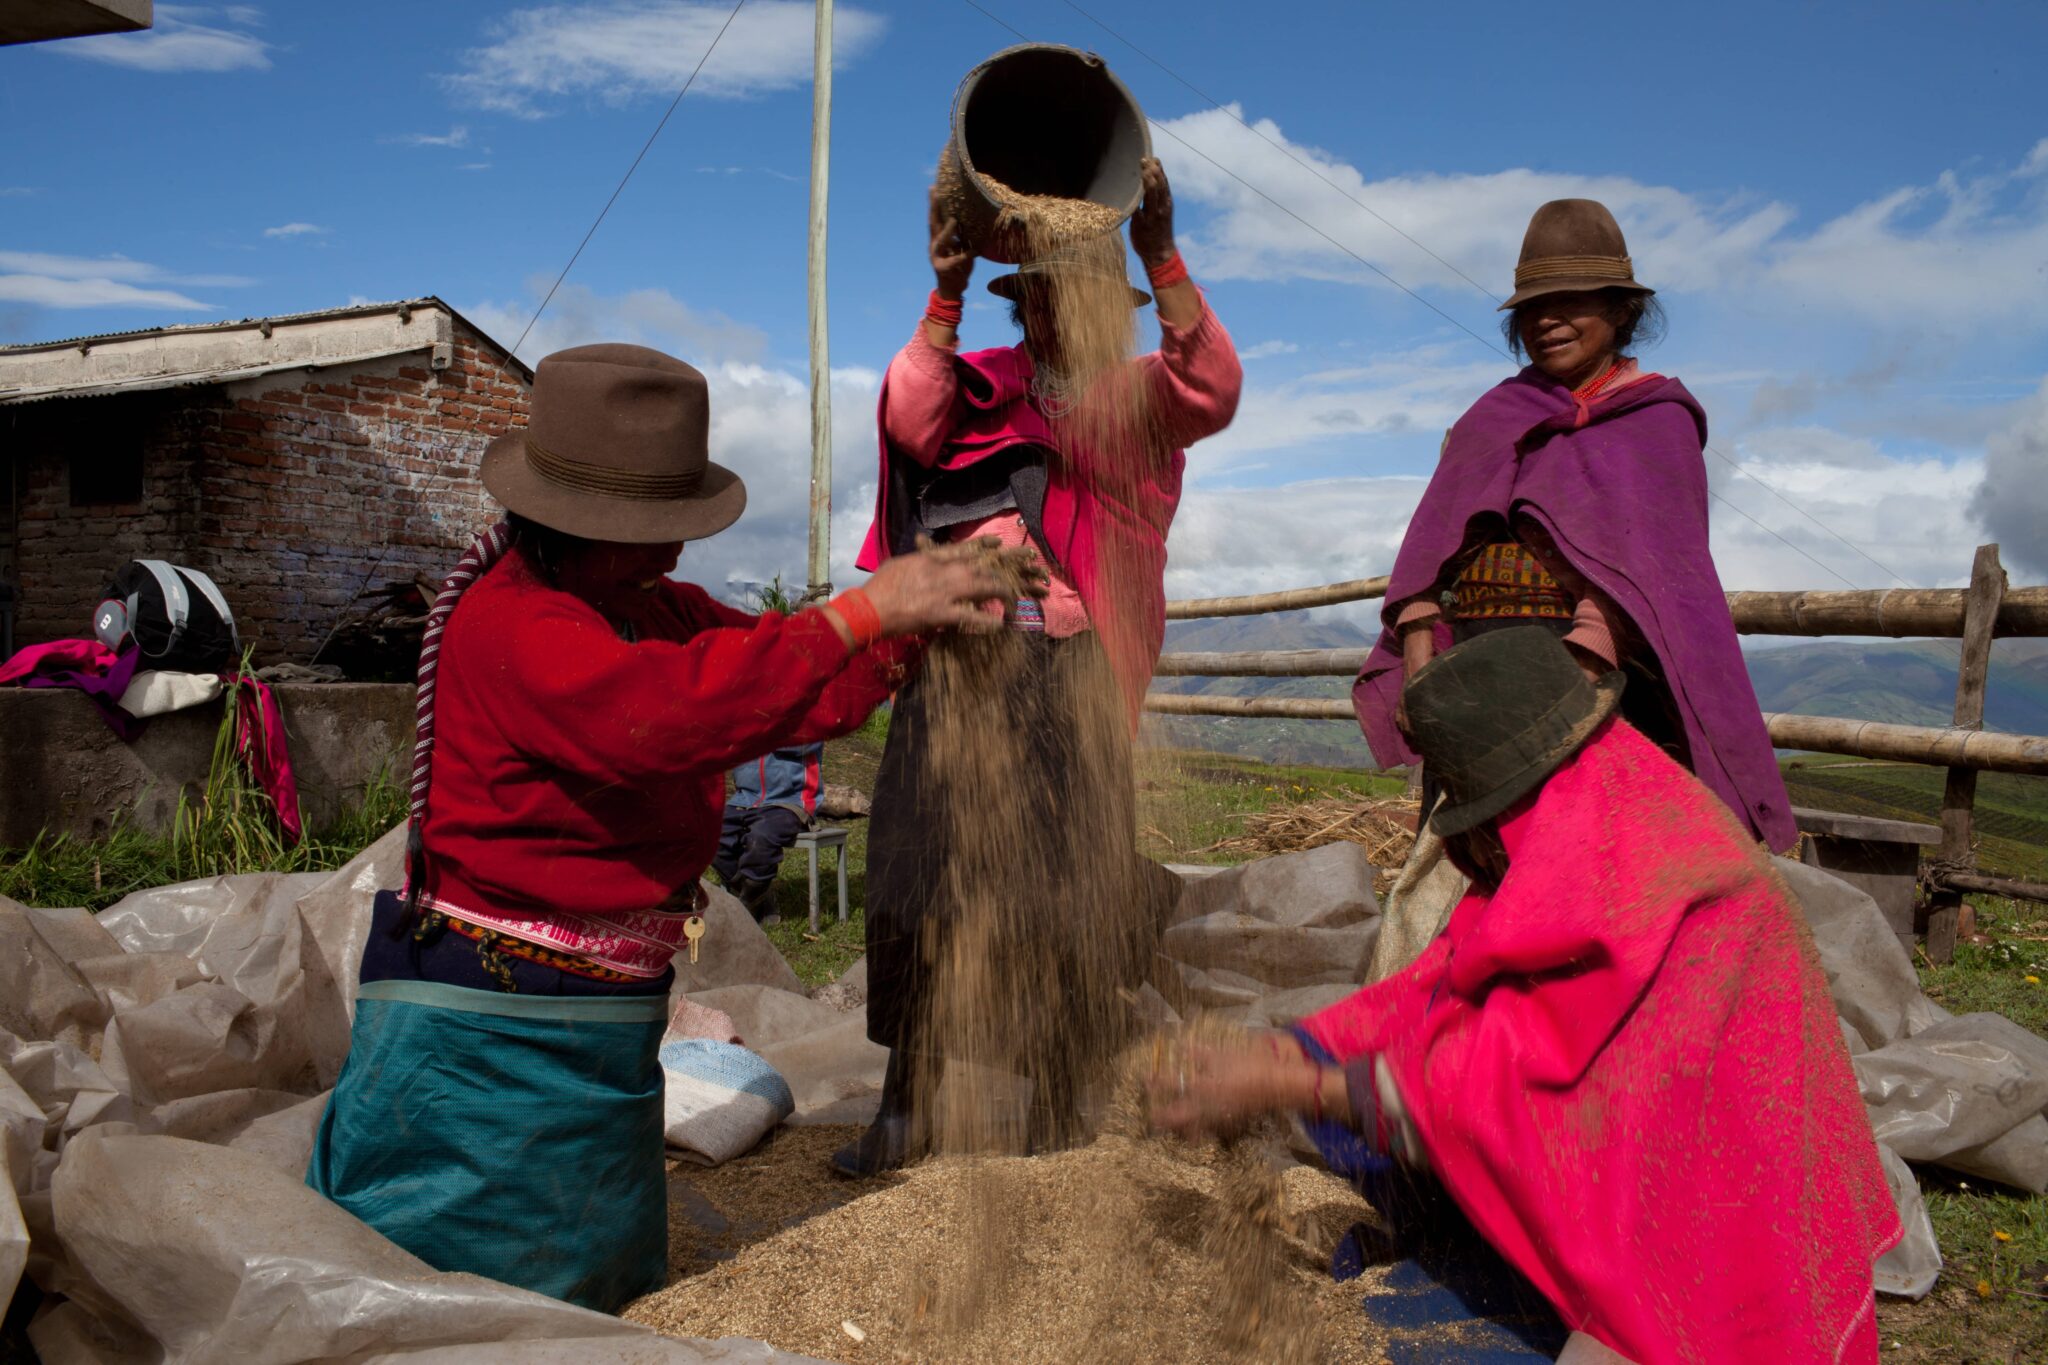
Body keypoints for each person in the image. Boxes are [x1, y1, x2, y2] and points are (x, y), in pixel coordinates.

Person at [305, 343, 1036, 1312]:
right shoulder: (513, 622)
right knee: (460, 1266)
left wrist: (908, 626)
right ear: (563, 523)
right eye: (646, 526)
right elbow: (665, 718)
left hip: (598, 1011)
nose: (673, 548)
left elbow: (772, 685)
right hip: (492, 1017)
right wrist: (861, 610)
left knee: (584, 1251)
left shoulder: (649, 604)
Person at [1148, 628, 1901, 1365]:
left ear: (1513, 805)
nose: (1465, 857)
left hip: (1726, 1262)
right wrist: (1294, 1049)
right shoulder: (1596, 827)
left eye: (1473, 828)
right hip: (1657, 1207)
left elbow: (1541, 1097)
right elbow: (1436, 993)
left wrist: (1298, 1084)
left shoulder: (1692, 903)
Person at [836, 158, 1243, 1176]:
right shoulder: (981, 384)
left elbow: (1214, 384)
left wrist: (1159, 249)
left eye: (1088, 290)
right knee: (920, 874)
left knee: (1068, 886)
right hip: (963, 669)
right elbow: (906, 415)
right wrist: (944, 286)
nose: (1064, 307)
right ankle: (907, 1100)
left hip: (1075, 672)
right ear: (1022, 304)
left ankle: (1055, 1095)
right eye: (1047, 290)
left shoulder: (1138, 401)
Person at [1353, 198, 1794, 854]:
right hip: (1475, 699)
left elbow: (1649, 572)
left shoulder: (1656, 424)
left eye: (1572, 301)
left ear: (1621, 310)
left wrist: (1574, 676)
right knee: (1466, 882)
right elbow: (1434, 546)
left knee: (1586, 879)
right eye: (1532, 306)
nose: (1547, 320)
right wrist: (1422, 669)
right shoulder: (1494, 419)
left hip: (1598, 697)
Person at [713, 741, 824, 923]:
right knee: (710, 834)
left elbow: (805, 745)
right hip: (745, 798)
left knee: (762, 838)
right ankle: (756, 892)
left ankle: (747, 906)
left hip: (790, 801)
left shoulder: (806, 713)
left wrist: (763, 728)